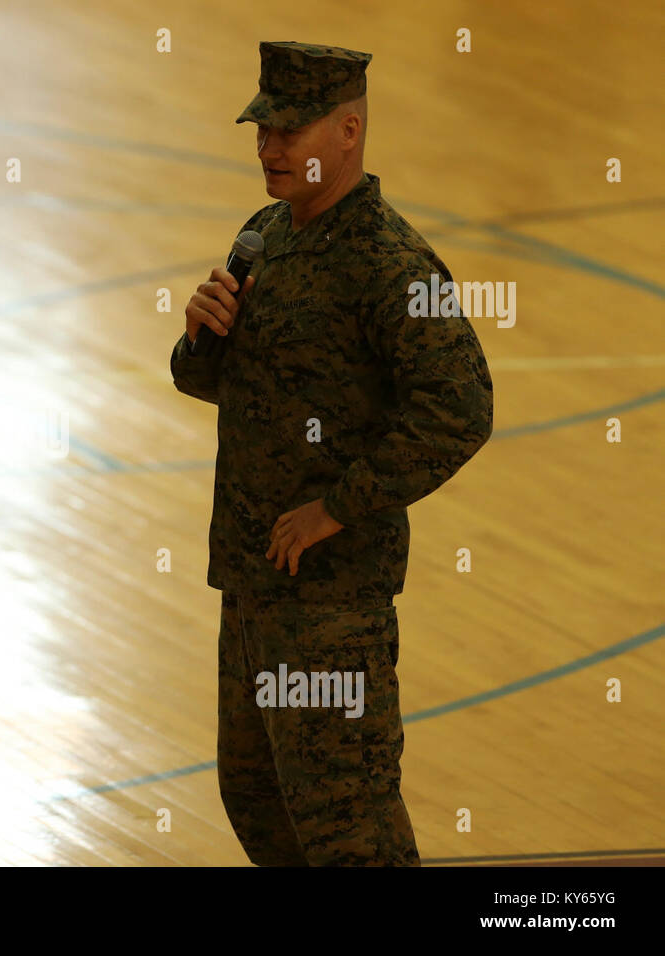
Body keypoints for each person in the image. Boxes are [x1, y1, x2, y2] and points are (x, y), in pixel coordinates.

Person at [170, 41, 493, 866]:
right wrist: (200, 340)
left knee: (348, 826)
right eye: (262, 129)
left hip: (331, 608)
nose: (270, 148)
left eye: (289, 130)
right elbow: (229, 386)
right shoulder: (264, 236)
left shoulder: (389, 264)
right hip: (250, 583)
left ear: (348, 131)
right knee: (257, 799)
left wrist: (335, 509)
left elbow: (460, 410)